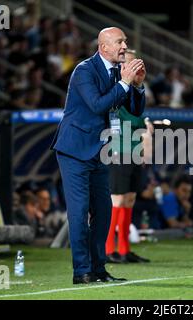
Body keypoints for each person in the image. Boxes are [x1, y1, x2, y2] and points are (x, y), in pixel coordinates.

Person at [50, 27, 146, 284]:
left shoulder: (117, 72)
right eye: (120, 41)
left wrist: (137, 86)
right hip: (75, 151)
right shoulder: (84, 71)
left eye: (125, 41)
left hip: (101, 151)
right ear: (103, 47)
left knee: (103, 212)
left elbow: (134, 111)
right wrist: (125, 83)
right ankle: (81, 271)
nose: (125, 45)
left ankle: (99, 269)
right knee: (79, 212)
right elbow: (97, 105)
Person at [105, 49, 150, 264]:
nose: (137, 68)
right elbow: (120, 117)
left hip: (133, 152)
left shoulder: (136, 91)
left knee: (129, 199)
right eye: (133, 63)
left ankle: (124, 249)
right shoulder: (115, 88)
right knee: (117, 200)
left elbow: (138, 119)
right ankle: (107, 250)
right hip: (117, 149)